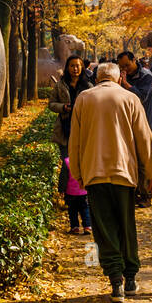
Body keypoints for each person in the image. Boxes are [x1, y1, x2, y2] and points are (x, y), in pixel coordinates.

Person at [68, 61, 152, 302]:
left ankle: (115, 280)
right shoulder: (130, 99)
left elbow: (75, 141)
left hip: (94, 174)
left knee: (104, 228)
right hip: (124, 174)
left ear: (98, 78)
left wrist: (78, 173)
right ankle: (130, 277)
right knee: (126, 225)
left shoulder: (84, 99)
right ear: (119, 77)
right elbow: (144, 138)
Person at [49, 56, 92, 211]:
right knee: (67, 165)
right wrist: (63, 107)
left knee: (83, 164)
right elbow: (51, 104)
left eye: (78, 66)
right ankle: (64, 195)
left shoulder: (88, 85)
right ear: (67, 67)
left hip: (83, 130)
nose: (75, 68)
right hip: (65, 130)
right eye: (72, 65)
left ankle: (83, 195)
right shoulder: (60, 85)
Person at [117, 49, 152, 127]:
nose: (125, 69)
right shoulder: (120, 75)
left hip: (144, 121)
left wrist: (125, 84)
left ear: (134, 60)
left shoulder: (146, 76)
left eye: (127, 65)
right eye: (121, 67)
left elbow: (141, 98)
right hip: (127, 121)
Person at [61, 156, 92, 236]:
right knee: (85, 209)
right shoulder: (85, 160)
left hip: (70, 192)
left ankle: (75, 227)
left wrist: (61, 189)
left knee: (72, 210)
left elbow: (64, 178)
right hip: (83, 191)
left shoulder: (67, 161)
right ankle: (87, 226)